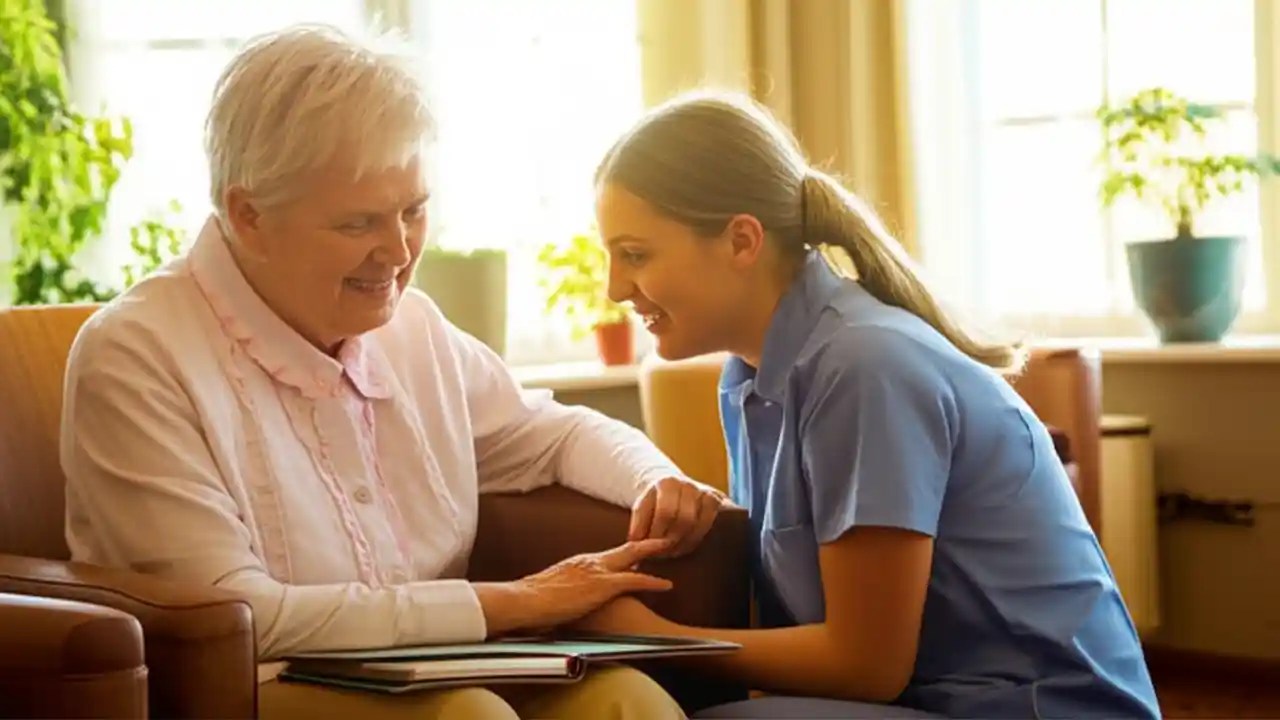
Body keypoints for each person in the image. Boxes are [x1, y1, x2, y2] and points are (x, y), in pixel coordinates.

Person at [59, 25, 728, 720]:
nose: (399, 250)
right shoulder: (136, 355)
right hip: (251, 683)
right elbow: (237, 610)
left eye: (414, 211)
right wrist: (513, 602)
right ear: (247, 214)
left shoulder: (415, 328)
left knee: (629, 702)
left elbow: (551, 435)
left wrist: (656, 478)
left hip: (440, 664)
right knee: (467, 718)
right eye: (357, 225)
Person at [574, 91, 1162, 719]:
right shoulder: (749, 377)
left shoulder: (864, 365)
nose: (614, 288)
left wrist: (650, 637)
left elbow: (865, 666)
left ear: (742, 240)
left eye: (635, 254)